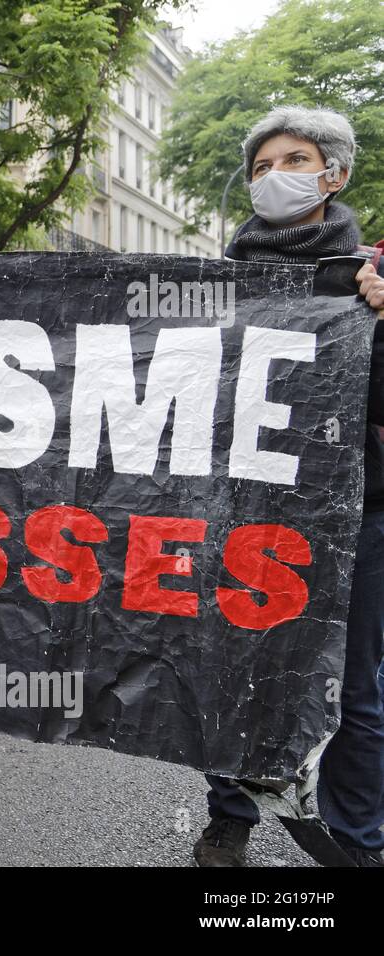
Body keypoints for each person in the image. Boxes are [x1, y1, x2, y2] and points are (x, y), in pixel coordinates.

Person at [195, 106, 383, 868]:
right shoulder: (214, 282)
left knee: (354, 683)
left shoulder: (370, 276)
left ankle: (359, 840)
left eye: (294, 159)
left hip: (356, 514)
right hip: (241, 508)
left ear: (333, 174)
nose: (276, 176)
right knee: (228, 663)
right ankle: (229, 815)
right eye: (262, 166)